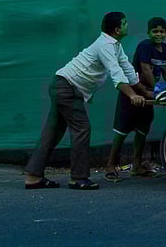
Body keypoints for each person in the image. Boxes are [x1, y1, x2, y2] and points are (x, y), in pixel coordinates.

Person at [24, 11, 150, 191]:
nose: (127, 25)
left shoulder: (115, 46)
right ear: (117, 29)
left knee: (52, 133)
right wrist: (132, 95)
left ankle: (33, 176)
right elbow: (116, 73)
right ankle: (78, 178)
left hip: (62, 86)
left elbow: (128, 70)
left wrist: (146, 93)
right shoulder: (105, 45)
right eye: (125, 23)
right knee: (82, 129)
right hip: (67, 88)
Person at [104, 16, 166, 182]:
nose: (158, 34)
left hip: (149, 94)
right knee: (122, 130)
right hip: (132, 92)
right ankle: (110, 166)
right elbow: (145, 70)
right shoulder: (145, 46)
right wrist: (159, 89)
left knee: (142, 129)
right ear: (148, 33)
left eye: (161, 31)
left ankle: (136, 166)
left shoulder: (165, 48)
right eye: (155, 31)